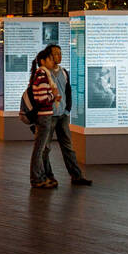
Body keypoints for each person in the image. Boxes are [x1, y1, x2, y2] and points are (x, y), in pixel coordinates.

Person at [28, 44, 90, 188]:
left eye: (60, 53)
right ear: (47, 57)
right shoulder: (44, 74)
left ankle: (76, 175)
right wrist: (52, 97)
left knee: (67, 146)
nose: (58, 56)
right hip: (48, 115)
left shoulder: (63, 72)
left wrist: (67, 109)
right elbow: (41, 95)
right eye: (55, 54)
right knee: (45, 148)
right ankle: (47, 176)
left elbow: (68, 92)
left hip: (61, 115)